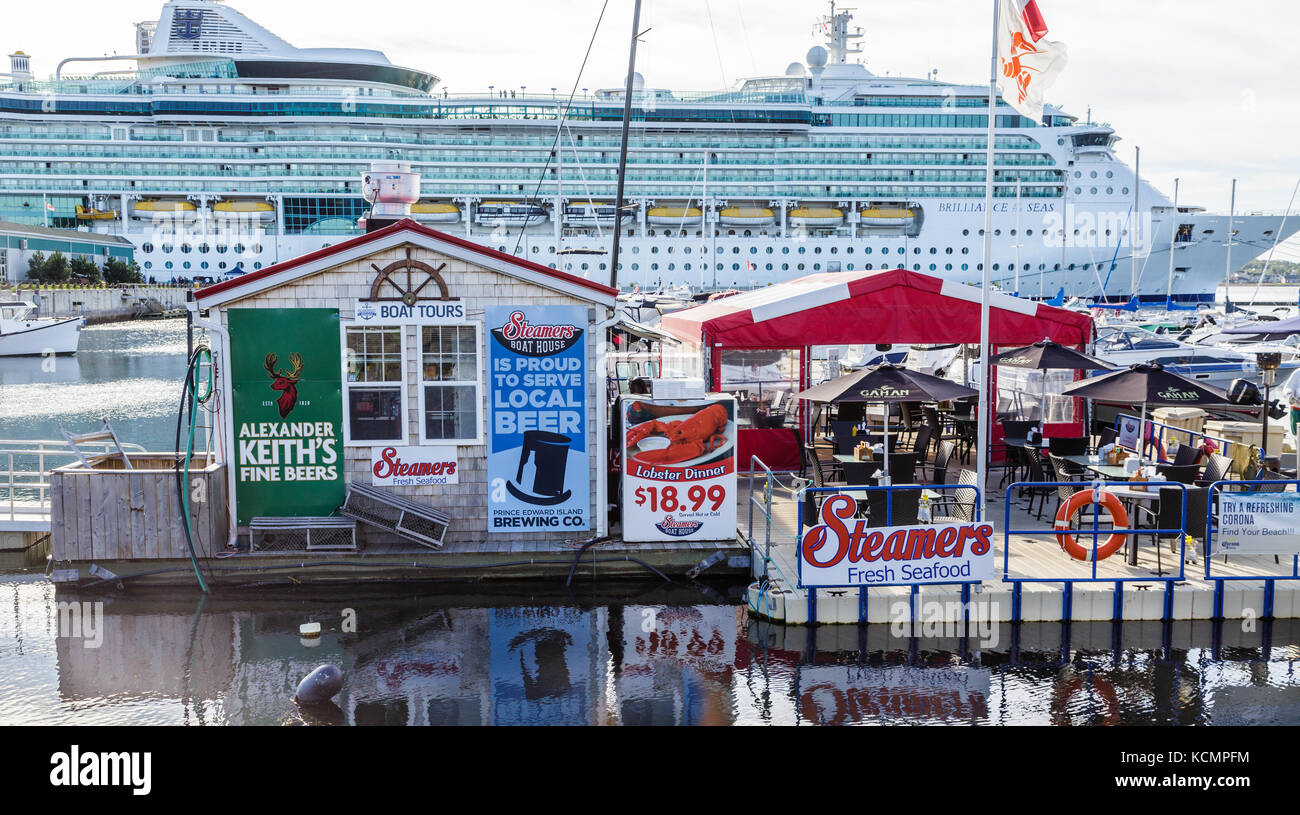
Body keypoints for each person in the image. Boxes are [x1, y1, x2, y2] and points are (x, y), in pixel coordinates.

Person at [1283, 365, 1300, 438]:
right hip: (1297, 411)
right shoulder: (1297, 373)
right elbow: (1288, 388)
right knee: (1297, 436)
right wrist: (1289, 394)